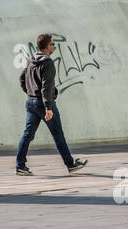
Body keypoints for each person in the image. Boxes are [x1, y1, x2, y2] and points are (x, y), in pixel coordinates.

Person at [15, 33, 89, 176]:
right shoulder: (47, 62)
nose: (54, 46)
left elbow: (22, 79)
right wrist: (48, 108)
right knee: (57, 133)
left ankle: (20, 166)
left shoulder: (31, 60)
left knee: (27, 134)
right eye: (53, 44)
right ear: (47, 46)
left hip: (31, 102)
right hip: (43, 103)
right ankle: (70, 164)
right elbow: (46, 87)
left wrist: (30, 92)